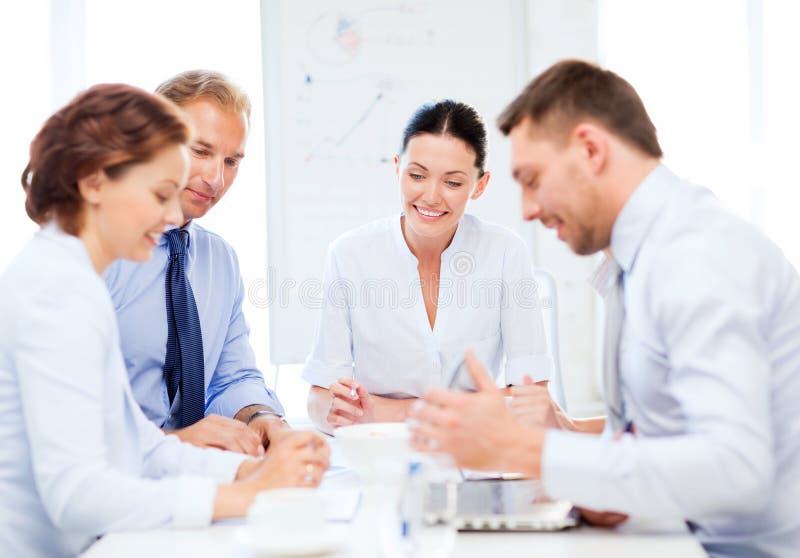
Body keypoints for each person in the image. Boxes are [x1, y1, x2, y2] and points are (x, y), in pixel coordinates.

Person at [409, 59, 800, 557]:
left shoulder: (695, 256)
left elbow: (737, 470)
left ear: (591, 149)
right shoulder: (634, 261)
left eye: (532, 179)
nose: (526, 208)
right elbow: (651, 446)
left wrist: (523, 448)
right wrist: (593, 478)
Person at [0, 84, 329, 558]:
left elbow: (135, 446)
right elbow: (78, 495)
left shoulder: (73, 280)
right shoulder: (57, 292)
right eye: (159, 194)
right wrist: (240, 495)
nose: (175, 214)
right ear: (94, 182)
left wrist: (249, 473)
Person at [304, 100, 554, 434]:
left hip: (474, 454)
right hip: (381, 452)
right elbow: (321, 400)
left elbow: (532, 399)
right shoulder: (349, 254)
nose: (431, 197)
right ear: (397, 168)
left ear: (480, 185)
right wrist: (480, 406)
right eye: (417, 175)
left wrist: (383, 410)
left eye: (452, 183)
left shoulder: (505, 252)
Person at [104, 71, 285, 457]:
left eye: (232, 161)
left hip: (187, 486)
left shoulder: (220, 260)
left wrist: (261, 418)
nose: (216, 179)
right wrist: (174, 443)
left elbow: (231, 377)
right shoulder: (100, 252)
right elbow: (66, 412)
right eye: (200, 151)